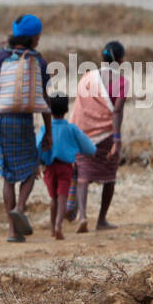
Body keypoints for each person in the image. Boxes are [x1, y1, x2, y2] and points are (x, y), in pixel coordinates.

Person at [0, 14, 54, 242]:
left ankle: (12, 231)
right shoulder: (40, 62)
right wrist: (48, 131)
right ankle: (20, 207)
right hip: (24, 122)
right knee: (31, 170)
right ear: (34, 38)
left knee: (8, 178)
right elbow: (46, 101)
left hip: (1, 122)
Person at [68, 40, 129, 232]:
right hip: (107, 135)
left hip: (82, 134)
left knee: (83, 175)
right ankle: (101, 220)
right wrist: (117, 141)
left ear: (102, 58)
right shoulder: (122, 82)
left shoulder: (87, 77)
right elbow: (117, 112)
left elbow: (80, 106)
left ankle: (83, 216)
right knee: (109, 177)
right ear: (120, 60)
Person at [38, 92, 96, 240]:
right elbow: (88, 147)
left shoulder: (45, 129)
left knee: (53, 199)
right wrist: (92, 152)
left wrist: (37, 162)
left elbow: (37, 146)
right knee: (62, 198)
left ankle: (52, 228)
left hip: (49, 168)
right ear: (66, 110)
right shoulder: (71, 129)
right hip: (65, 168)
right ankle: (58, 226)